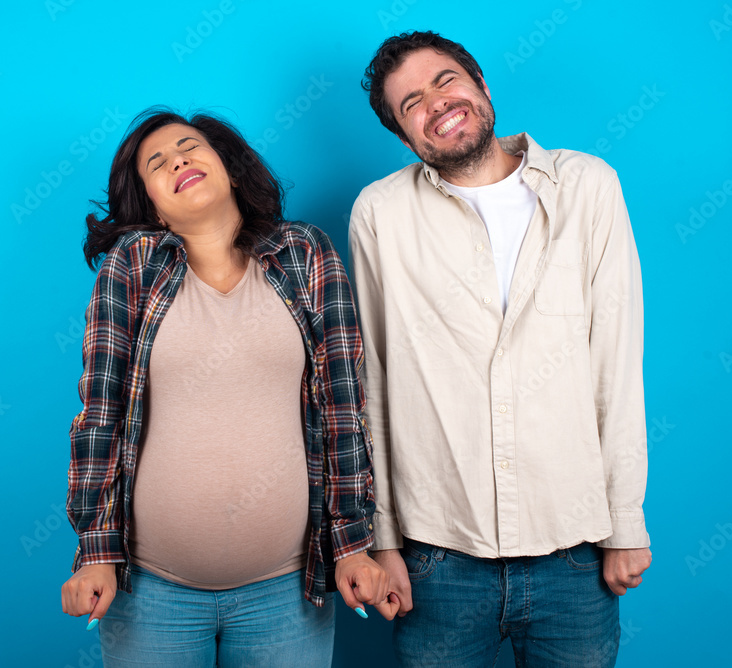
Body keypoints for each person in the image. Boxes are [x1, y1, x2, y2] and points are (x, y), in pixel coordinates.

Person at [349, 31, 652, 666]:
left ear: (482, 86)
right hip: (437, 557)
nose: (436, 102)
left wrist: (627, 522)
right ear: (405, 137)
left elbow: (616, 365)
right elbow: (372, 379)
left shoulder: (586, 186)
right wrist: (380, 540)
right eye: (411, 103)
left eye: (446, 80)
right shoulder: (379, 213)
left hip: (575, 551)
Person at [60, 107, 387, 667]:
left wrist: (353, 544)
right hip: (150, 589)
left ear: (229, 169)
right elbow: (100, 415)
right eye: (156, 163)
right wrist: (94, 550)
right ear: (154, 207)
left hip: (287, 591)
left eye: (189, 146)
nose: (178, 159)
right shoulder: (132, 266)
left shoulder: (305, 254)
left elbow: (343, 410)